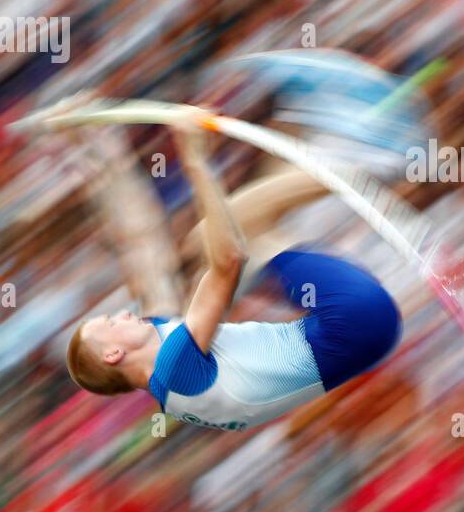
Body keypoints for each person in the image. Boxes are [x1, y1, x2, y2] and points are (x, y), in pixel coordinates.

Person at [64, 107, 403, 432]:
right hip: (355, 320)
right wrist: (194, 157)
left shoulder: (165, 365)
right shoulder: (174, 370)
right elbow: (228, 262)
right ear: (113, 354)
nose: (122, 314)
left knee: (213, 243)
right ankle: (374, 165)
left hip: (367, 334)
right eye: (110, 323)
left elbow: (142, 242)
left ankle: (355, 169)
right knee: (230, 237)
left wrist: (104, 154)